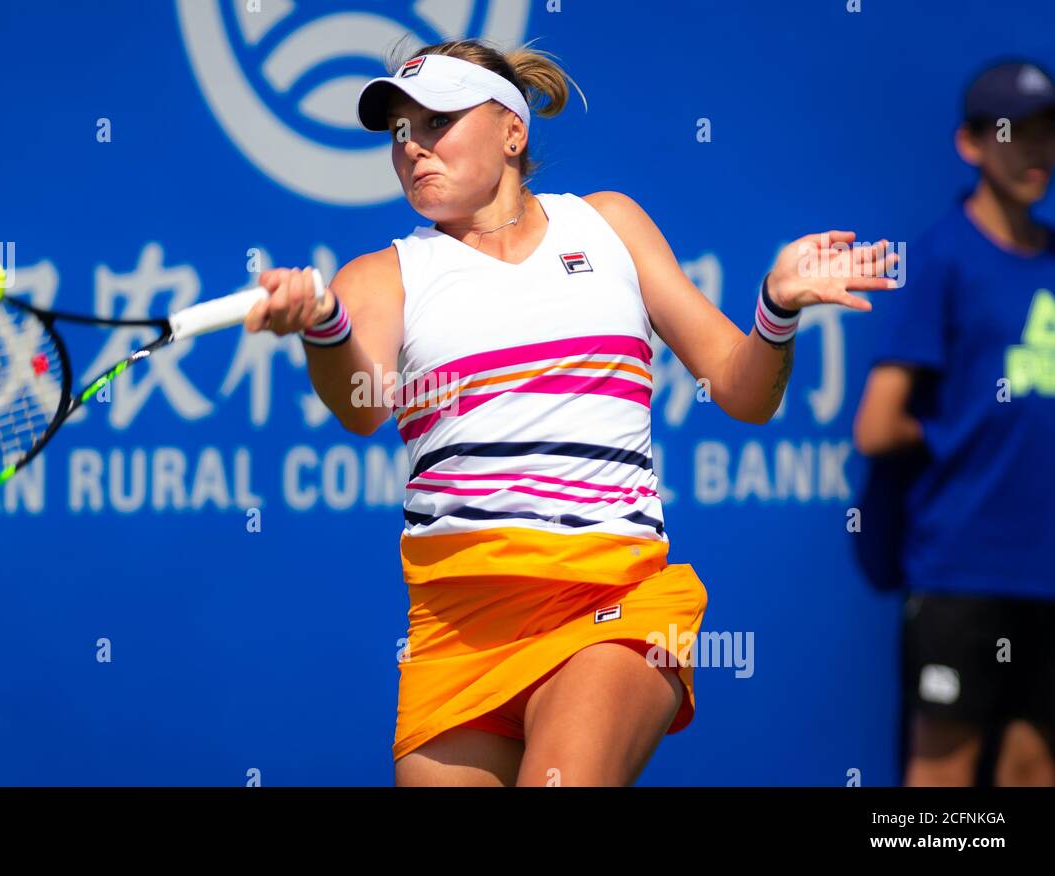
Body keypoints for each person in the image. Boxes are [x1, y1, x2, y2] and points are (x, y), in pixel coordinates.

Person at [249, 38, 895, 786]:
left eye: (437, 123)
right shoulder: (382, 276)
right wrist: (323, 326)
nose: (414, 147)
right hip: (454, 633)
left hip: (611, 600)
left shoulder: (609, 225)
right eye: (402, 131)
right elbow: (363, 406)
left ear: (512, 132)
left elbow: (744, 391)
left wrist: (776, 308)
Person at [853, 59, 1055, 787]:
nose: (1035, 151)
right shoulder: (941, 259)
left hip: (1047, 568)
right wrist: (962, 431)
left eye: (1047, 133)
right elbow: (877, 427)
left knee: (1035, 768)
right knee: (943, 776)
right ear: (970, 144)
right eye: (1013, 133)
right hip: (963, 565)